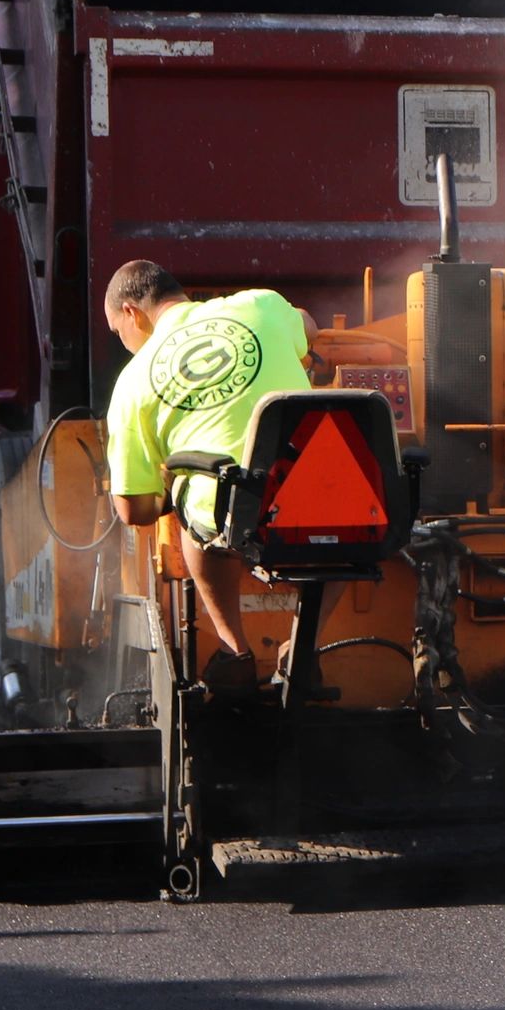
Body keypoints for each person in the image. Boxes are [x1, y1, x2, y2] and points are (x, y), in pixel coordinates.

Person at [103, 260, 316, 695]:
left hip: (236, 514)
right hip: (317, 500)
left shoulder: (132, 383)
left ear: (131, 313)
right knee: (351, 539)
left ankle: (235, 649)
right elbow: (309, 325)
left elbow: (134, 510)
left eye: (117, 332)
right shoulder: (261, 304)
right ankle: (304, 644)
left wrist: (169, 481)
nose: (124, 344)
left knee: (191, 498)